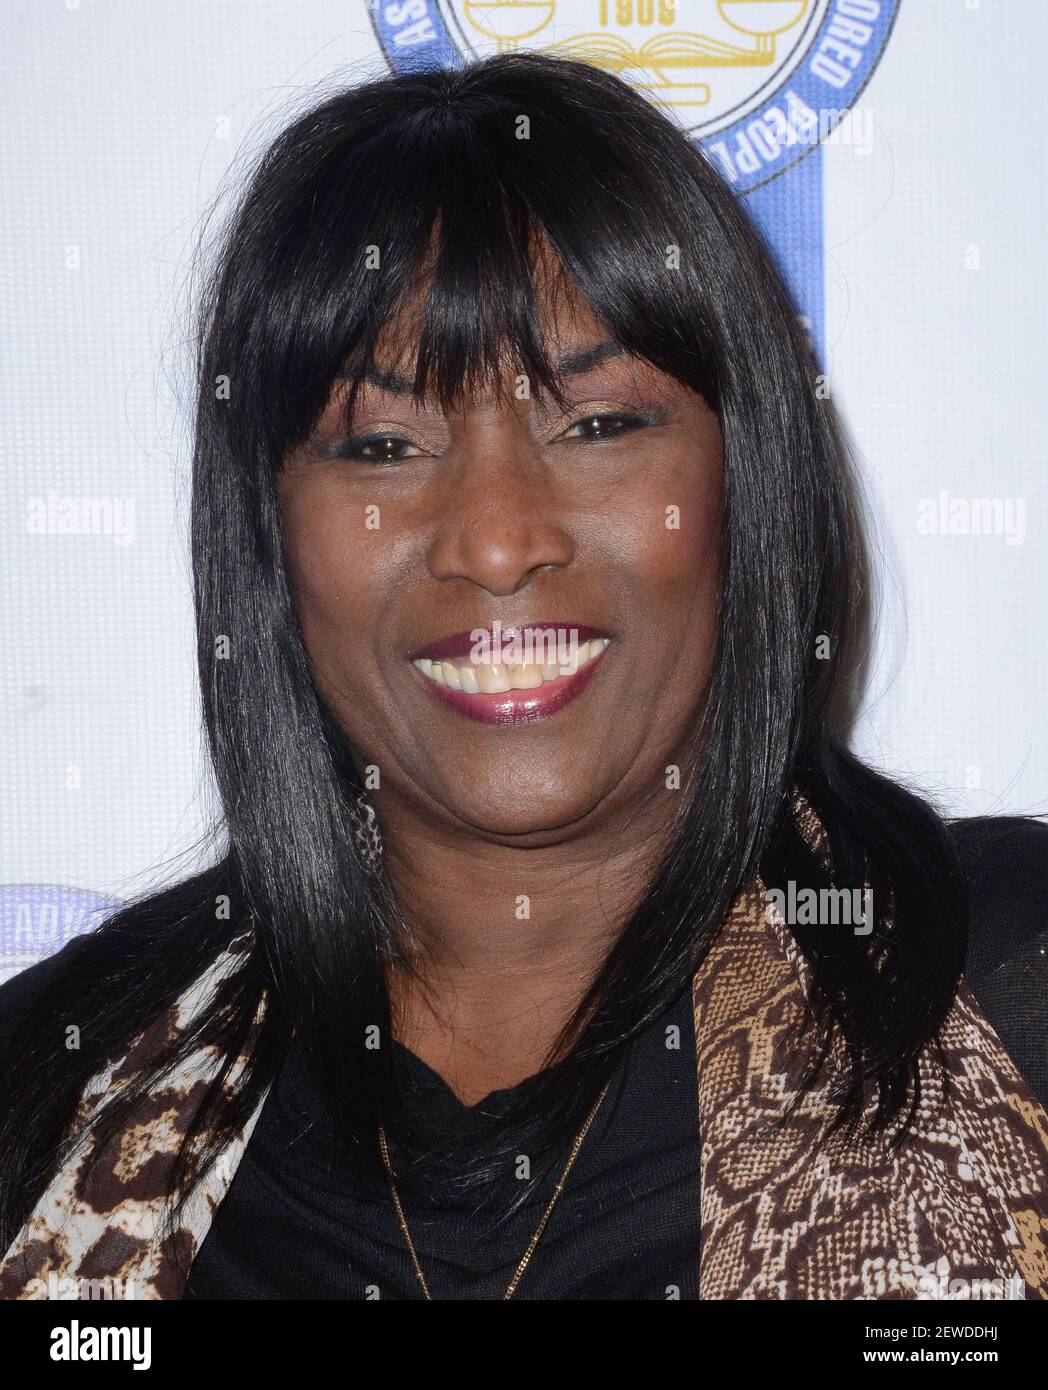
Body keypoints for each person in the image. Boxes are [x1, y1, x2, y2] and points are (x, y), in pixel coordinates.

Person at [0, 51, 1045, 1303]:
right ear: (269, 537)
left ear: (746, 481)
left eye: (597, 422)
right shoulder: (45, 1093)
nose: (495, 541)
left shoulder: (1011, 986)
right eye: (381, 445)